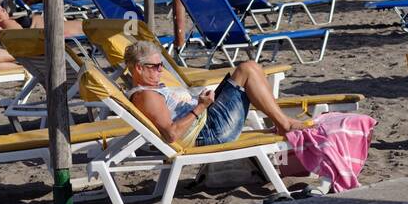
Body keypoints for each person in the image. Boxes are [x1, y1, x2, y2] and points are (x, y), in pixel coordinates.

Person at [124, 40, 302, 145]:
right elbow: (171, 135)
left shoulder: (154, 88)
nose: (160, 70)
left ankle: (282, 122)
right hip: (209, 132)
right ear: (139, 68)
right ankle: (284, 125)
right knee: (246, 69)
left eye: (161, 65)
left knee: (252, 66)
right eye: (155, 67)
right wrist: (200, 107)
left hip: (208, 120)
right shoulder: (147, 96)